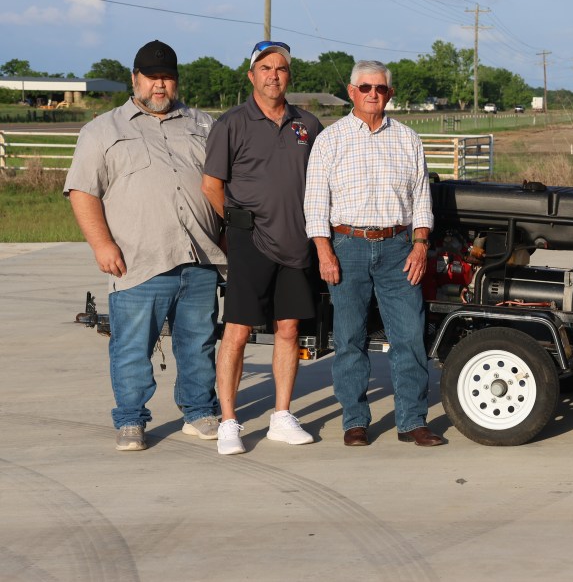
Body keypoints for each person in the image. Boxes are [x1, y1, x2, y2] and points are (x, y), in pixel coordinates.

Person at [65, 40, 225, 451]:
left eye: (167, 77)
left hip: (200, 257)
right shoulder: (102, 130)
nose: (160, 85)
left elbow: (224, 185)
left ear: (176, 81)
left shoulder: (204, 125)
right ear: (134, 79)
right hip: (138, 260)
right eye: (152, 78)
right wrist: (102, 244)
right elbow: (83, 191)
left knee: (199, 343)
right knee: (132, 347)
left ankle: (198, 411)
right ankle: (131, 420)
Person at [304, 60, 442, 447]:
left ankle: (412, 420)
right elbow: (315, 202)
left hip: (399, 247)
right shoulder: (330, 140)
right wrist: (324, 251)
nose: (372, 94)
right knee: (349, 338)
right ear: (352, 92)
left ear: (390, 94)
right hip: (346, 246)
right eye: (365, 87)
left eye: (380, 88)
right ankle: (355, 421)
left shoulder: (408, 139)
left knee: (409, 336)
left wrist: (420, 244)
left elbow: (421, 199)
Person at [202, 40, 323, 455]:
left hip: (297, 242)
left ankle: (281, 416)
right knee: (236, 332)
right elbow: (211, 185)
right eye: (266, 68)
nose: (274, 75)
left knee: (288, 330)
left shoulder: (308, 124)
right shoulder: (231, 123)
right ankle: (229, 421)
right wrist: (235, 229)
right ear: (252, 75)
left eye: (281, 68)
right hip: (251, 241)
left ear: (289, 75)